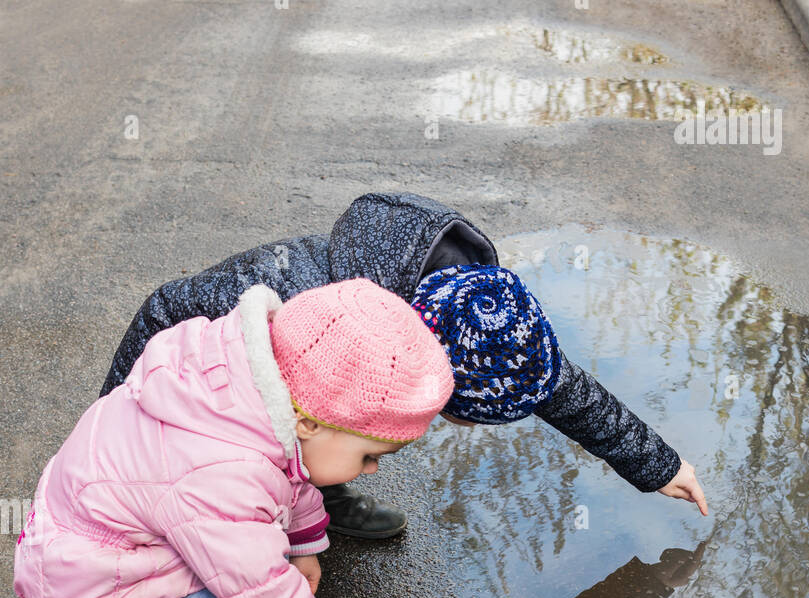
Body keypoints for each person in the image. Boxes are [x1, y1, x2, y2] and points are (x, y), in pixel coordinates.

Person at [13, 279, 453, 598]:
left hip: (107, 553)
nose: (371, 470)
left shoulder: (245, 385)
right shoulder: (223, 473)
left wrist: (303, 544)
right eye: (370, 455)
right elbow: (263, 596)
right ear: (307, 422)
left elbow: (292, 472)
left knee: (265, 590)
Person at [100, 192, 707, 539]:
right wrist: (111, 426)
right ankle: (259, 520)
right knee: (266, 447)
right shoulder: (302, 306)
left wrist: (658, 464)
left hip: (317, 410)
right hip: (201, 391)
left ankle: (319, 497)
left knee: (338, 430)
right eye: (458, 413)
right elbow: (162, 309)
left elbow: (559, 387)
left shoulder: (480, 313)